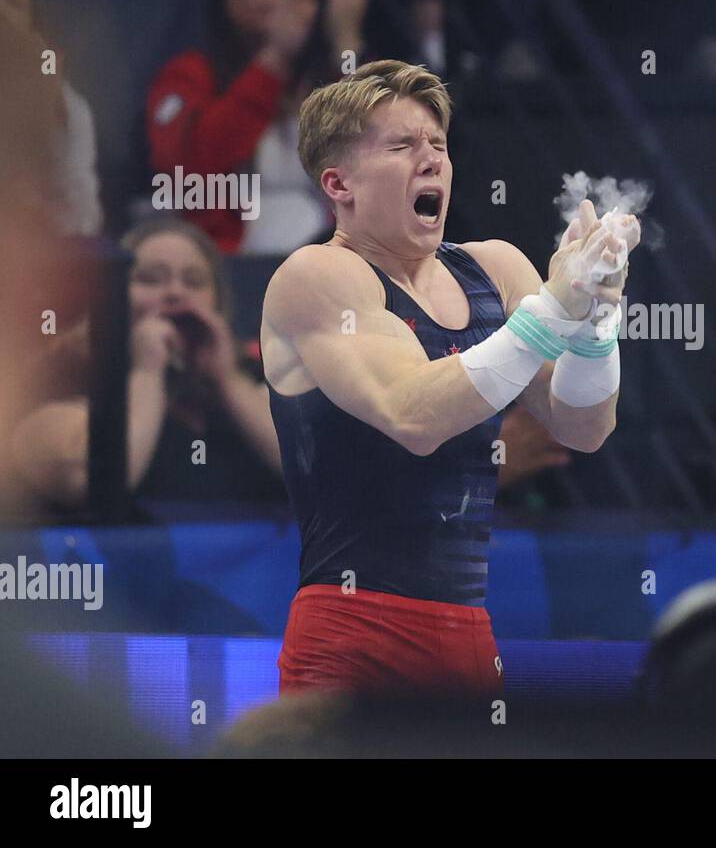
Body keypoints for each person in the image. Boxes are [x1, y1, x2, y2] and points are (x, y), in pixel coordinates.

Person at [262, 59, 639, 698]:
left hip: (467, 629)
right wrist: (552, 311)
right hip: (353, 632)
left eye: (438, 144)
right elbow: (412, 417)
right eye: (402, 145)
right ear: (339, 182)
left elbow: (583, 426)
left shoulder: (496, 270)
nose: (431, 159)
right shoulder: (318, 277)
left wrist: (598, 319)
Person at [12, 218, 284, 510]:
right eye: (150, 279)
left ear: (217, 302)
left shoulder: (252, 377)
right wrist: (147, 370)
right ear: (110, 297)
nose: (175, 293)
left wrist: (228, 380)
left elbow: (316, 471)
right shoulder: (64, 373)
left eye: (194, 281)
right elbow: (89, 479)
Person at [146, 0, 374, 253]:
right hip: (234, 270)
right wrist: (274, 61)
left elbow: (382, 152)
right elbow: (189, 172)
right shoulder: (188, 74)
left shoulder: (336, 72)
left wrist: (346, 41)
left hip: (341, 266)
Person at [0, 0, 102, 236]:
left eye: (13, 2)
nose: (1, 12)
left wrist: (47, 113)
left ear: (32, 24)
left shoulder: (66, 102)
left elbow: (83, 224)